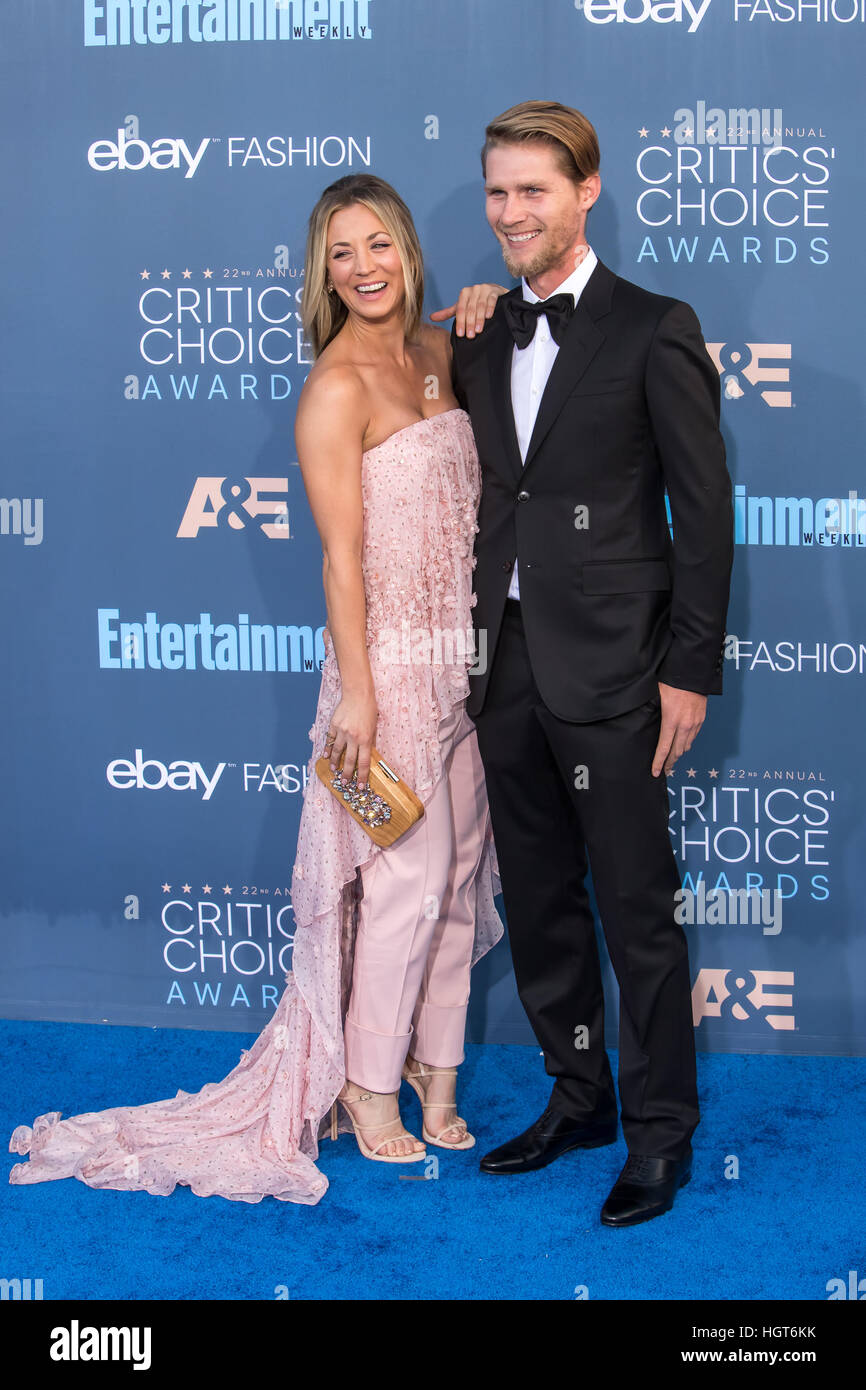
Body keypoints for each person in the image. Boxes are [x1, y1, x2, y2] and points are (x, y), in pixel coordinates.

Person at [8, 174, 503, 1204]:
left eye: (376, 245)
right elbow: (338, 559)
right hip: (385, 676)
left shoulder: (437, 350)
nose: (362, 268)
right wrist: (358, 699)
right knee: (403, 885)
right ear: (320, 272)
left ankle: (435, 1068)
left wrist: (483, 305)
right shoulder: (332, 388)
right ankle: (368, 1087)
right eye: (339, 253)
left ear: (406, 249)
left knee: (457, 880)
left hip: (465, 665)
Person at [443, 101, 734, 1227]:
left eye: (534, 191)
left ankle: (661, 1132)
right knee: (541, 904)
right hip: (503, 661)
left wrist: (687, 669)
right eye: (497, 192)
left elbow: (700, 516)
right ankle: (579, 1093)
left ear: (586, 192)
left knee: (634, 909)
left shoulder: (654, 325)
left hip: (617, 668)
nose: (512, 212)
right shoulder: (476, 332)